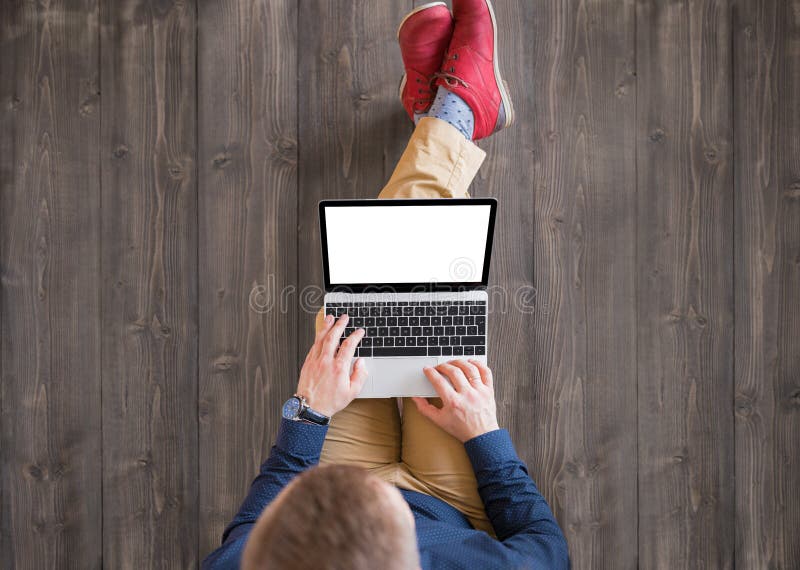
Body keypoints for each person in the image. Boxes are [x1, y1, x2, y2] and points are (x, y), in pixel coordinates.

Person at [203, 1, 569, 568]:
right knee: (399, 274)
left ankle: (448, 114)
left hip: (333, 499)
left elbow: (254, 530)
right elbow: (546, 549)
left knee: (355, 302)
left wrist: (309, 414)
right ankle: (453, 112)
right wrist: (485, 436)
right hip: (448, 501)